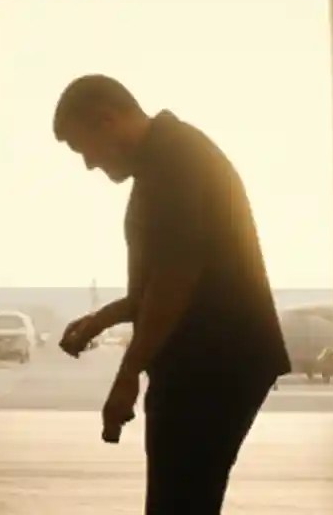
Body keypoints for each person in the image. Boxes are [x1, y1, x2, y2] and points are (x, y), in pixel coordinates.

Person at [53, 74, 291, 515]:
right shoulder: (164, 160)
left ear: (107, 120)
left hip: (214, 362)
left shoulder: (174, 161)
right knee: (183, 500)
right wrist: (101, 320)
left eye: (82, 147)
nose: (87, 164)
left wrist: (127, 376)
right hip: (206, 359)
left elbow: (178, 276)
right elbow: (163, 280)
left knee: (179, 503)